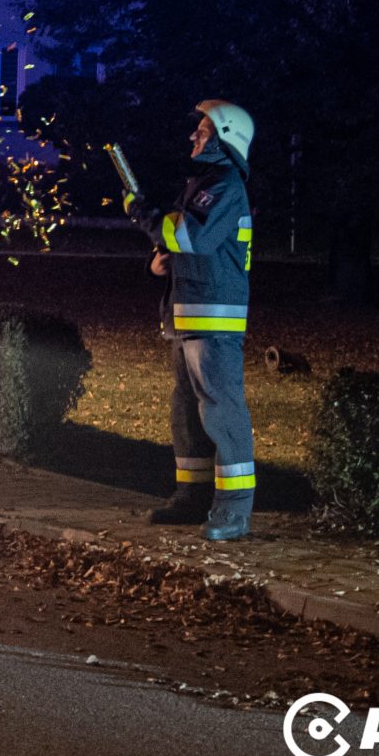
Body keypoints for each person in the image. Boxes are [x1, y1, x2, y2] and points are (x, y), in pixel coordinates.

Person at [132, 100, 258, 541]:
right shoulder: (204, 184)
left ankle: (234, 509)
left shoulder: (224, 186)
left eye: (203, 130)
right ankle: (193, 496)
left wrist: (143, 213)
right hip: (189, 316)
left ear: (224, 138)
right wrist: (158, 261)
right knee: (186, 413)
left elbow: (189, 234)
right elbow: (180, 243)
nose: (194, 136)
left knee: (221, 413)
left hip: (214, 320)